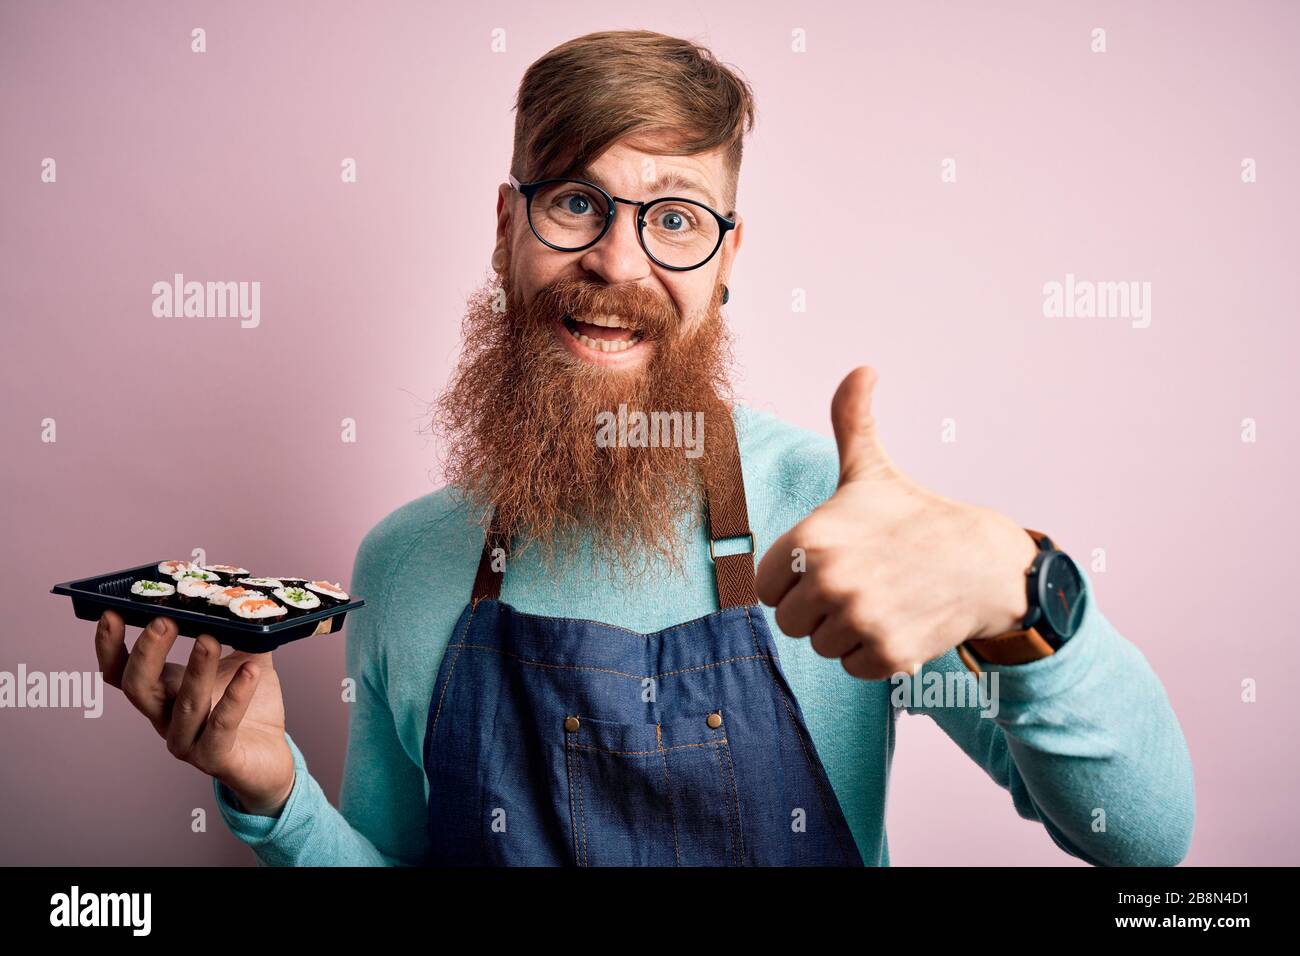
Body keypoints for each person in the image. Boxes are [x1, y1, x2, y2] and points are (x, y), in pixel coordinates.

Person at [94, 29, 1194, 866]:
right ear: (504, 228)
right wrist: (273, 794)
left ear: (726, 263)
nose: (618, 263)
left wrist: (1022, 591)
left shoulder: (832, 519)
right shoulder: (405, 563)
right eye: (575, 201)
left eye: (674, 218)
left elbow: (1143, 840)